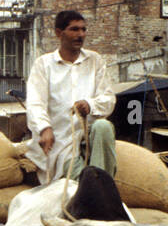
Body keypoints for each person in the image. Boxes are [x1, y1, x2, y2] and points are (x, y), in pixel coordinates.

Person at [24, 11, 118, 185]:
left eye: (83, 29)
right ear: (59, 33)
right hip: (61, 141)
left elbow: (108, 99)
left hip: (91, 136)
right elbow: (35, 103)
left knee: (104, 126)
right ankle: (93, 189)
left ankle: (101, 187)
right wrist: (45, 128)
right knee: (76, 179)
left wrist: (90, 105)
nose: (80, 35)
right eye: (74, 29)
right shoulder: (44, 64)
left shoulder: (95, 60)